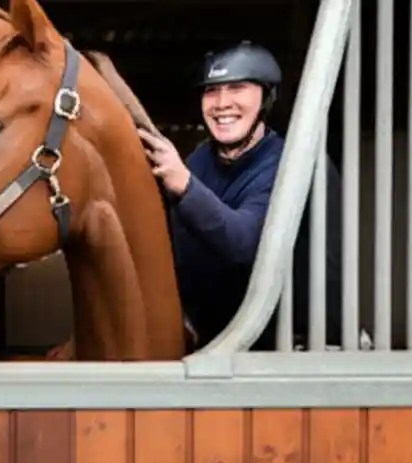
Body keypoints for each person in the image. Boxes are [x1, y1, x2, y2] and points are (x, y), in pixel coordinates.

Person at [137, 40, 343, 351]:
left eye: (237, 88)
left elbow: (245, 245)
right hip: (216, 348)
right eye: (211, 90)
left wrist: (185, 185)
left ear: (266, 99)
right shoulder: (199, 161)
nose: (221, 103)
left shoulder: (294, 165)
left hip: (291, 354)